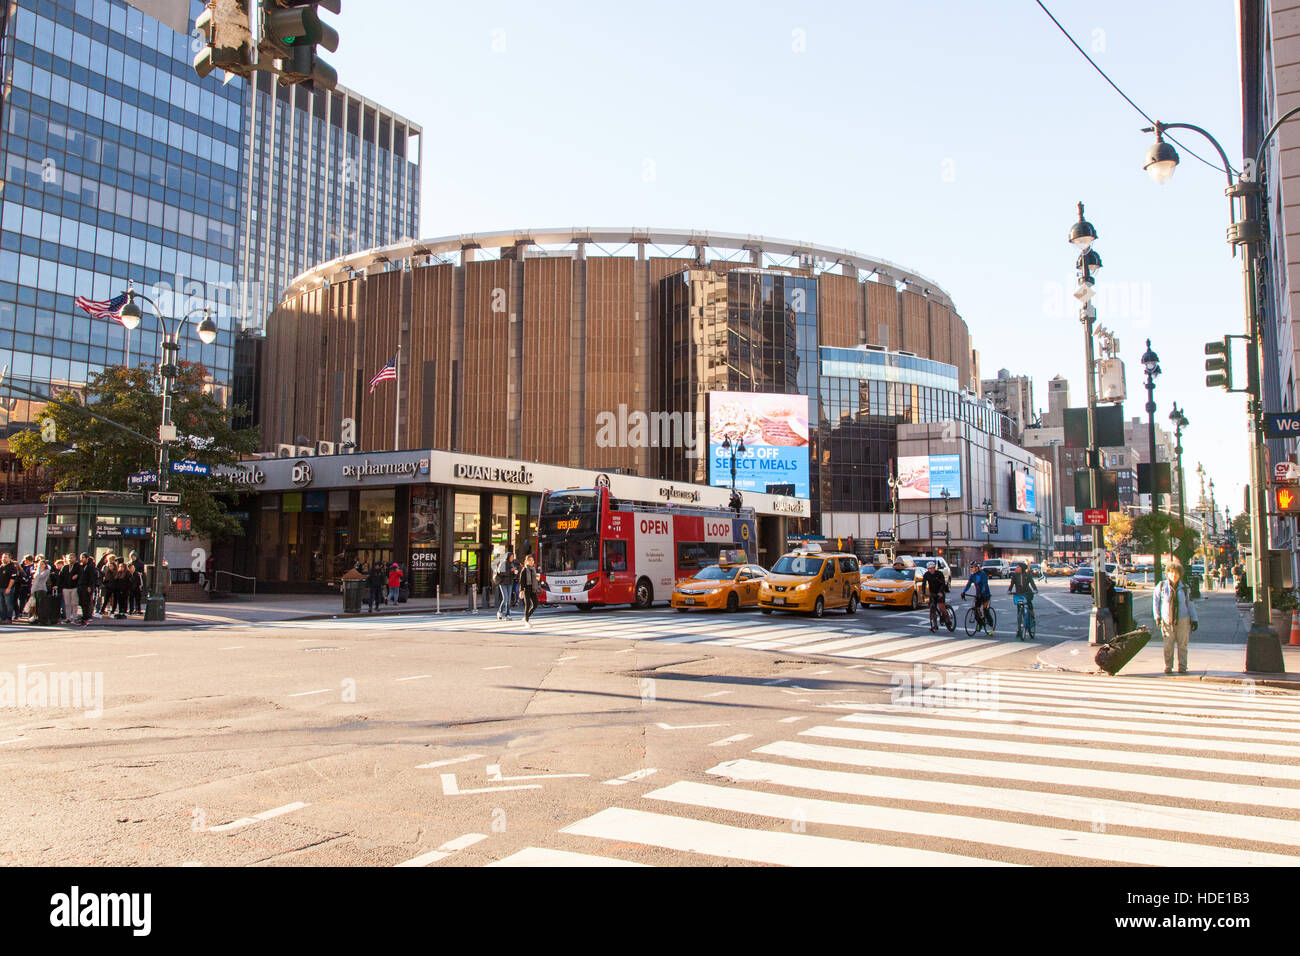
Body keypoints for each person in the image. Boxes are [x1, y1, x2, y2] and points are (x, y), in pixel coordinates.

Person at [1153, 559, 1198, 675]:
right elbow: (1156, 602)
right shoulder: (1161, 586)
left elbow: (1190, 604)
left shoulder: (1185, 588)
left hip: (1183, 619)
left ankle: (1182, 666)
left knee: (1182, 644)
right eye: (1171, 572)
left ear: (1180, 574)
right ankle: (1168, 666)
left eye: (1176, 573)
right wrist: (1157, 616)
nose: (1173, 575)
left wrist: (1194, 619)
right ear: (1167, 573)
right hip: (1167, 619)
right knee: (1168, 644)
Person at [1007, 561, 1039, 640]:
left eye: (1018, 567)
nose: (1016, 568)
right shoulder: (1014, 575)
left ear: (1022, 569)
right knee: (1019, 610)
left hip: (1027, 593)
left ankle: (1032, 618)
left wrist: (1035, 589)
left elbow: (1032, 583)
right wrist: (1009, 590)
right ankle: (1019, 629)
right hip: (1019, 594)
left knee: (1029, 605)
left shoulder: (1027, 575)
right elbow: (1011, 584)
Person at [961, 561, 992, 628]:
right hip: (978, 595)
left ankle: (991, 626)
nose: (971, 569)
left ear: (977, 567)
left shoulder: (982, 574)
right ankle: (980, 623)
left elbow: (984, 584)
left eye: (972, 567)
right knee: (976, 610)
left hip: (986, 594)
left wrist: (981, 593)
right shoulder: (972, 576)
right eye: (970, 567)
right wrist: (964, 592)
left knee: (985, 610)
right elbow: (968, 584)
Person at [920, 562, 949, 633]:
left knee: (941, 607)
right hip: (932, 593)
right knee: (932, 608)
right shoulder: (926, 575)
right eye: (929, 569)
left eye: (932, 568)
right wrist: (923, 593)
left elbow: (943, 584)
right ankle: (935, 625)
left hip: (940, 592)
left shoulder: (939, 573)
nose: (931, 570)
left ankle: (947, 619)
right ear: (928, 569)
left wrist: (940, 592)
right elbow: (923, 584)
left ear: (934, 568)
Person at [76, 553, 99, 626]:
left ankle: (86, 617)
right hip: (81, 586)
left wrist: (90, 586)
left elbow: (92, 577)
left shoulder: (90, 566)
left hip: (87, 587)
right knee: (82, 603)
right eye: (81, 557)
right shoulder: (82, 566)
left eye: (83, 557)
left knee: (86, 602)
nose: (81, 559)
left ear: (87, 558)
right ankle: (84, 616)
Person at [518, 553, 540, 629]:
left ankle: (526, 617)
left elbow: (535, 580)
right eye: (530, 560)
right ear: (526, 561)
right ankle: (527, 621)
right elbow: (521, 581)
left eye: (532, 560)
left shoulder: (533, 569)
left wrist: (537, 579)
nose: (531, 562)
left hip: (533, 589)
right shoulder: (524, 570)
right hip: (526, 589)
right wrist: (521, 590)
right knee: (527, 605)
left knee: (535, 604)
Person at [59, 554, 80, 624]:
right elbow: (61, 577)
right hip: (66, 587)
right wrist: (61, 586)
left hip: (74, 587)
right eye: (69, 558)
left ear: (75, 558)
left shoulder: (78, 566)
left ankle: (74, 618)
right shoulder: (65, 567)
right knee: (67, 603)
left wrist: (77, 576)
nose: (70, 559)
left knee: (74, 603)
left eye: (72, 558)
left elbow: (81, 574)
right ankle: (68, 618)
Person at [495, 549, 515, 621]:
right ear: (508, 557)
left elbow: (512, 575)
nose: (512, 558)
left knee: (509, 599)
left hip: (509, 583)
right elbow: (500, 572)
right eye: (511, 557)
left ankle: (508, 614)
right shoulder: (503, 563)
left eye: (513, 557)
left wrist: (515, 573)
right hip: (503, 583)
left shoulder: (512, 564)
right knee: (505, 598)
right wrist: (510, 571)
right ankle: (500, 612)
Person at [0, 553, 16, 623]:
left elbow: (12, 579)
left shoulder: (12, 567)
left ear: (9, 558)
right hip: (1, 588)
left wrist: (9, 588)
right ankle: (2, 618)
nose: (3, 559)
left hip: (7, 588)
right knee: (1, 604)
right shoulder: (1, 567)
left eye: (5, 557)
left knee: (8, 604)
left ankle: (8, 618)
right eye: (3, 557)